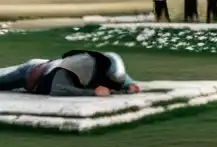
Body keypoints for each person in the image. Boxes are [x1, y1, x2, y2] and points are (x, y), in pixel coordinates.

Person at [0, 51, 140, 97]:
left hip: (47, 64)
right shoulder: (75, 67)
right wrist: (92, 92)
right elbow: (58, 88)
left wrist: (130, 85)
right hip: (32, 72)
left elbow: (122, 78)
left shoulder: (108, 64)